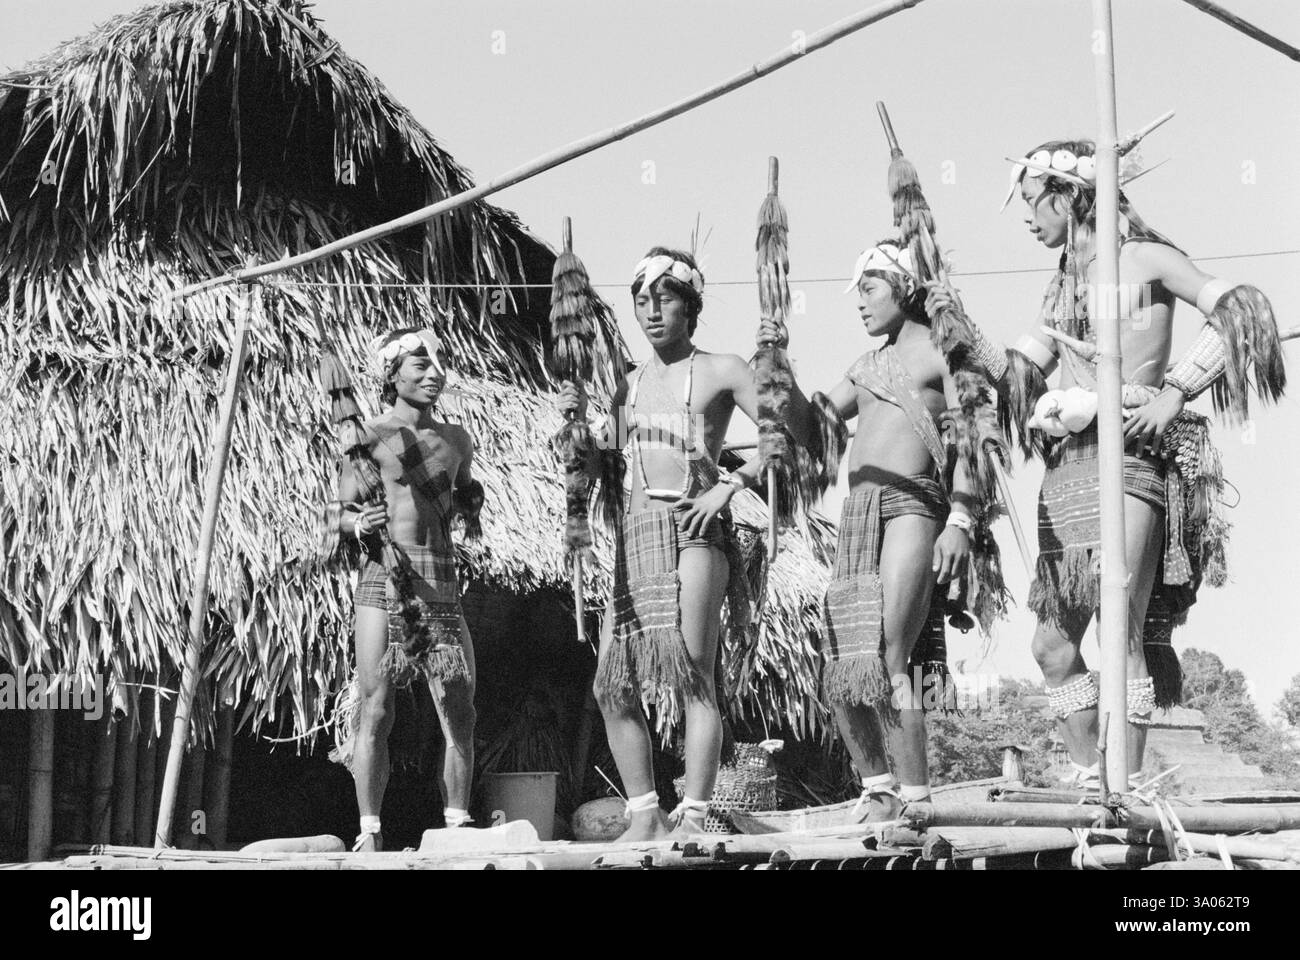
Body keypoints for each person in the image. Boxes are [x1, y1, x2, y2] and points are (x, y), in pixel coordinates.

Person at [936, 138, 1287, 787]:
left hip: (1129, 458)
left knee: (1117, 622)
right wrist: (958, 330)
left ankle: (1120, 787)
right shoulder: (1061, 288)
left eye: (1036, 201)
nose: (1028, 217)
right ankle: (1087, 776)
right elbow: (1015, 375)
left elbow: (1241, 307)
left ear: (1069, 195)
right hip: (1067, 470)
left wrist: (1177, 390)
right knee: (1050, 647)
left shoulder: (1145, 257)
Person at [759, 240, 1004, 821]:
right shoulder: (865, 367)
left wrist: (961, 520)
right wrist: (777, 368)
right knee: (844, 665)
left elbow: (972, 433)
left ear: (903, 286)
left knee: (892, 654)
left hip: (916, 507)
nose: (860, 305)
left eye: (869, 290)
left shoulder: (945, 352)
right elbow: (811, 428)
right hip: (859, 515)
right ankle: (878, 788)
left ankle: (917, 798)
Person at [558, 248, 768, 839]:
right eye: (641, 301)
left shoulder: (723, 369)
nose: (651, 311)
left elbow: (784, 438)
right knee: (610, 684)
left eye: (666, 298)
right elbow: (607, 467)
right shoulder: (627, 387)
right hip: (635, 540)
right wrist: (579, 433)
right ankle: (645, 811)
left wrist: (731, 486)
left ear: (691, 305)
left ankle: (694, 815)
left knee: (696, 678)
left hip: (693, 534)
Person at [321, 328, 484, 851]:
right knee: (376, 708)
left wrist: (469, 502)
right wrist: (358, 524)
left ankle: (457, 824)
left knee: (459, 708)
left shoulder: (458, 440)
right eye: (421, 365)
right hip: (383, 580)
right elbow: (334, 516)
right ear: (392, 375)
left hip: (440, 581)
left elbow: (460, 498)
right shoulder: (366, 437)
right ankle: (369, 832)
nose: (434, 373)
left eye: (440, 364)